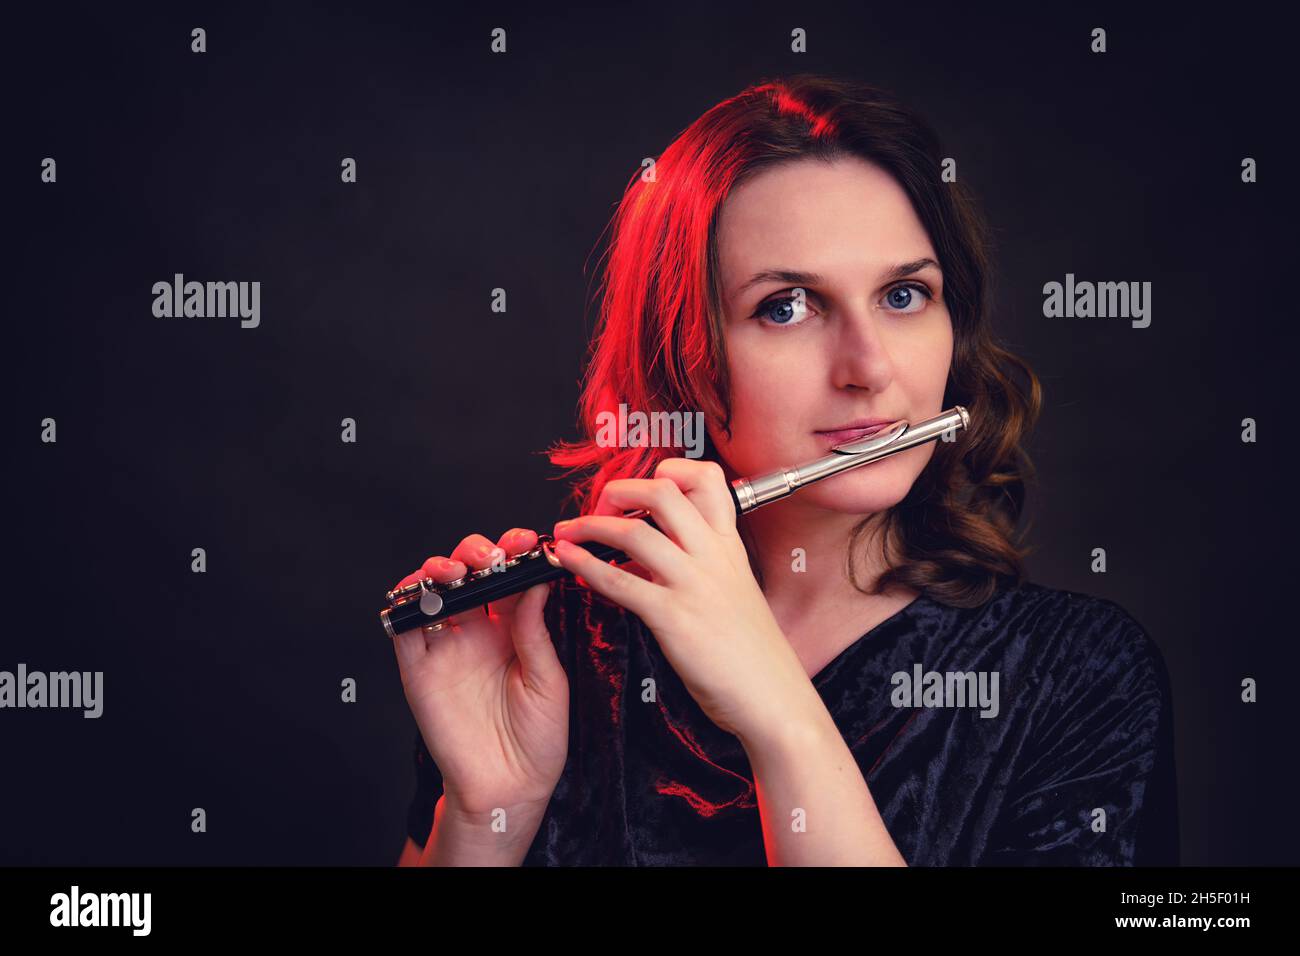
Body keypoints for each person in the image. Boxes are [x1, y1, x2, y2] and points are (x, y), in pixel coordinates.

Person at [390, 74, 1179, 866]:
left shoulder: (1079, 676)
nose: (868, 368)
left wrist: (778, 713)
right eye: (787, 307)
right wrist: (487, 813)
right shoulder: (556, 651)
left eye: (904, 295)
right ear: (684, 363)